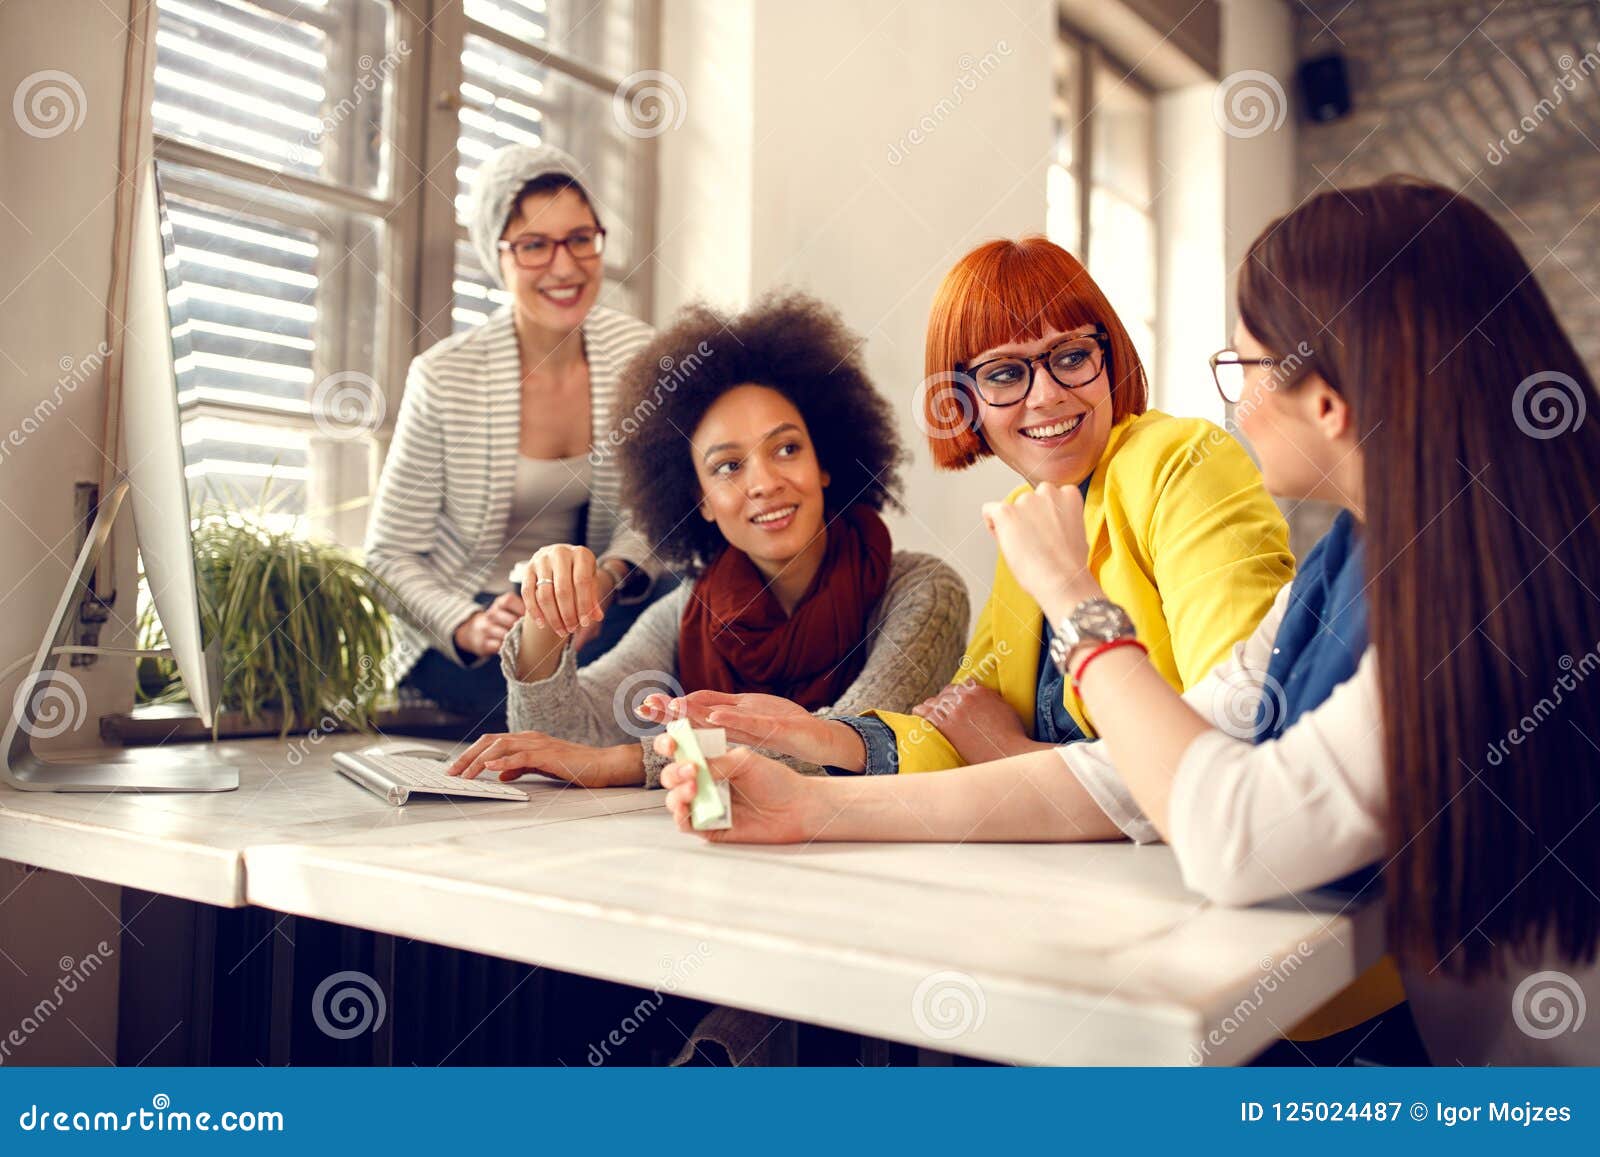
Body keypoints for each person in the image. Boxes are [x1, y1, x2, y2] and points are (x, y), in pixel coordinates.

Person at [656, 179, 1600, 1066]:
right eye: (1005, 373)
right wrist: (814, 794)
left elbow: (1225, 809)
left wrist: (1077, 606)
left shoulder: (1451, 587)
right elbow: (1139, 763)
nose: (1235, 397)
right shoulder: (1358, 554)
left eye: (1246, 365)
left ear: (1327, 400)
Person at [655, 236, 1293, 788]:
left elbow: (1229, 741)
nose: (1046, 395)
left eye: (1072, 356)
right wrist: (820, 735)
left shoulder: (1182, 462)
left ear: (1109, 356)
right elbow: (959, 728)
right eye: (1005, 374)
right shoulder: (1025, 514)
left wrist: (1011, 753)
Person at [444, 291, 968, 791]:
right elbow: (564, 739)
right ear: (700, 500)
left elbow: (857, 744)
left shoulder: (921, 591)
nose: (763, 483)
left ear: (824, 462)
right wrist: (546, 610)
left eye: (787, 449)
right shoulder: (691, 611)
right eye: (728, 466)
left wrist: (627, 762)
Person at [365, 143, 667, 733]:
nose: (564, 266)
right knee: (586, 697)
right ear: (496, 255)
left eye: (580, 239)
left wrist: (607, 579)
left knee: (687, 613)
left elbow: (654, 513)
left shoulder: (639, 355)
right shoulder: (444, 375)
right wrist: (466, 625)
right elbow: (387, 556)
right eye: (534, 245)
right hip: (476, 617)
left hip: (596, 609)